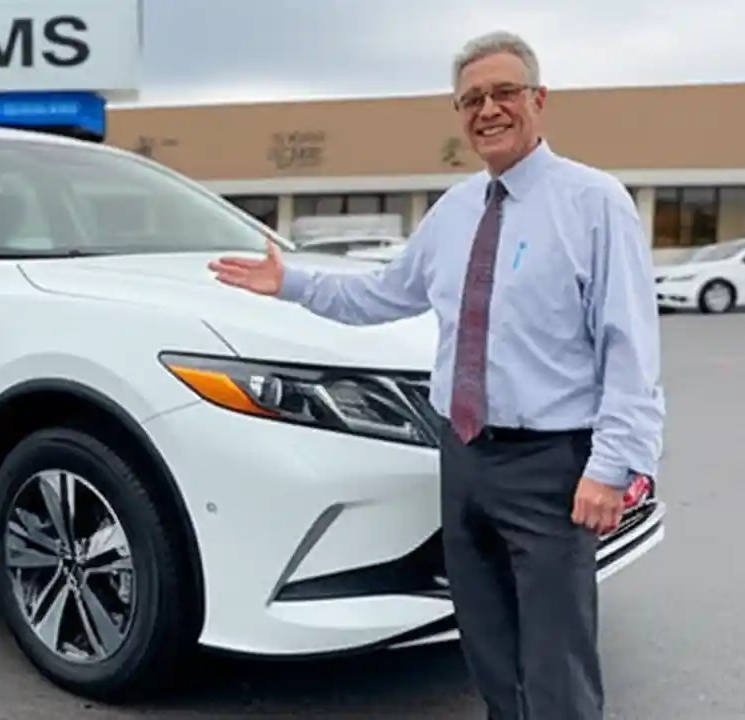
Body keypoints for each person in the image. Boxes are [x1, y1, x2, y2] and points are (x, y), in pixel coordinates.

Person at [209, 30, 664, 720]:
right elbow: (381, 296)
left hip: (551, 464)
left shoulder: (594, 203)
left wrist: (612, 465)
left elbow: (629, 347)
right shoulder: (454, 212)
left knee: (556, 658)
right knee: (486, 642)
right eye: (471, 99)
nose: (488, 110)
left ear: (539, 100)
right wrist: (291, 284)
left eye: (504, 93)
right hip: (463, 454)